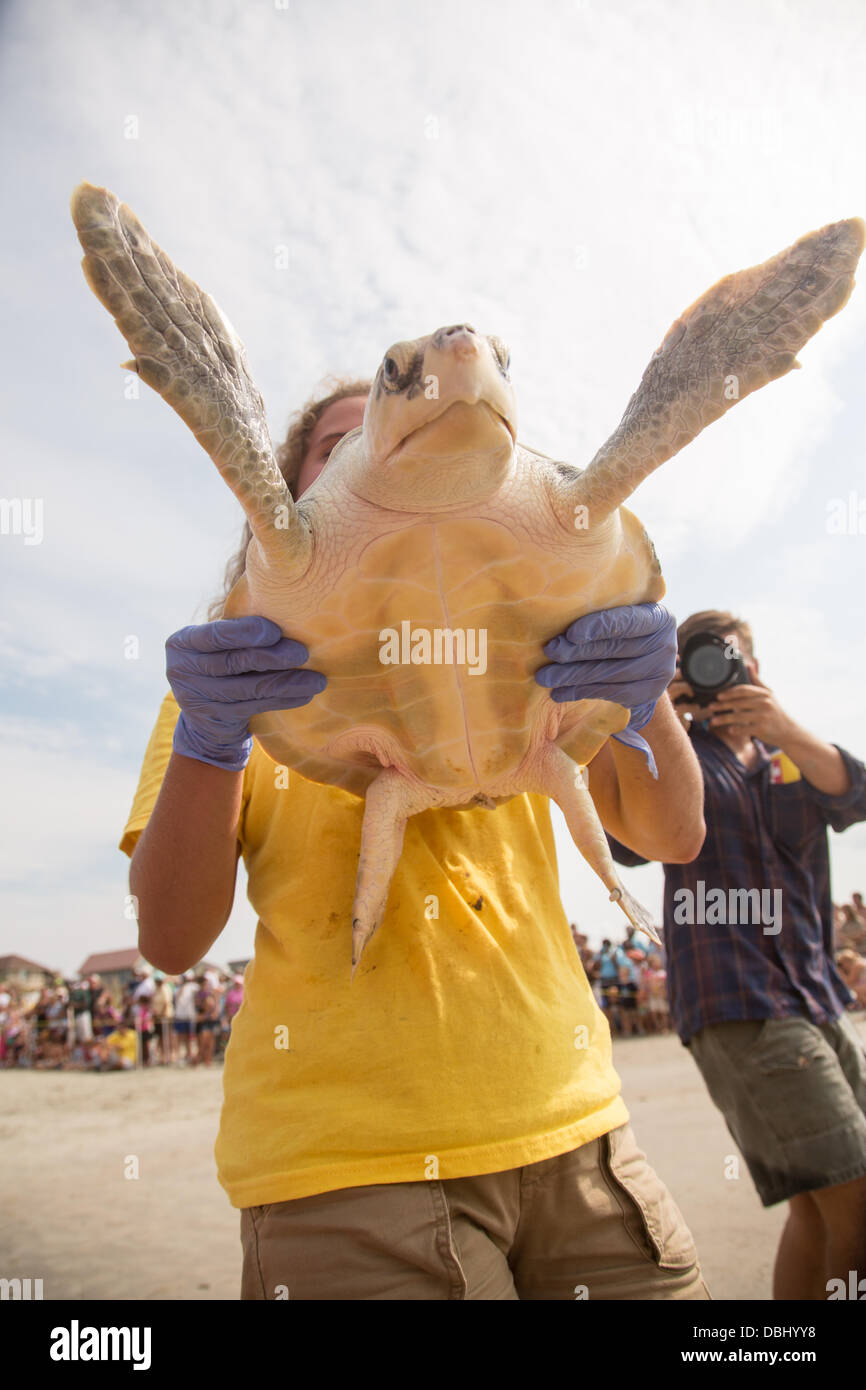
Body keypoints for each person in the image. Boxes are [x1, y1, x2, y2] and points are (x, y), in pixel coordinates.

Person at [120, 378, 711, 1301]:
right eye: (334, 446)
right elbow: (169, 940)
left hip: (581, 1130)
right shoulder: (226, 683)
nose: (369, 456)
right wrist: (210, 738)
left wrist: (647, 697)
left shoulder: (538, 652)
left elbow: (673, 835)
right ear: (281, 496)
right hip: (343, 1165)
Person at [608, 608, 866, 1300]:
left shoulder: (792, 761)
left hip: (818, 997)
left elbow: (857, 793)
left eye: (729, 660)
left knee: (815, 1205)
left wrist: (780, 727)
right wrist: (658, 710)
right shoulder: (678, 762)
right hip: (741, 1007)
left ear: (756, 669)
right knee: (857, 1206)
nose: (715, 675)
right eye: (697, 661)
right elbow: (630, 843)